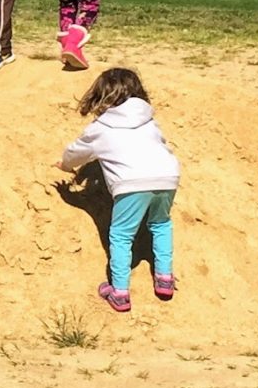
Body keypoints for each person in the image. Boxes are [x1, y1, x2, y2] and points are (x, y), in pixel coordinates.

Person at [55, 68, 180, 313]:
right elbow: (161, 143)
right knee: (161, 224)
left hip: (131, 182)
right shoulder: (149, 120)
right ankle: (165, 278)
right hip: (167, 176)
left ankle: (120, 292)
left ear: (100, 96)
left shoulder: (101, 127)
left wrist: (65, 165)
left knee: (121, 234)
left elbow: (76, 152)